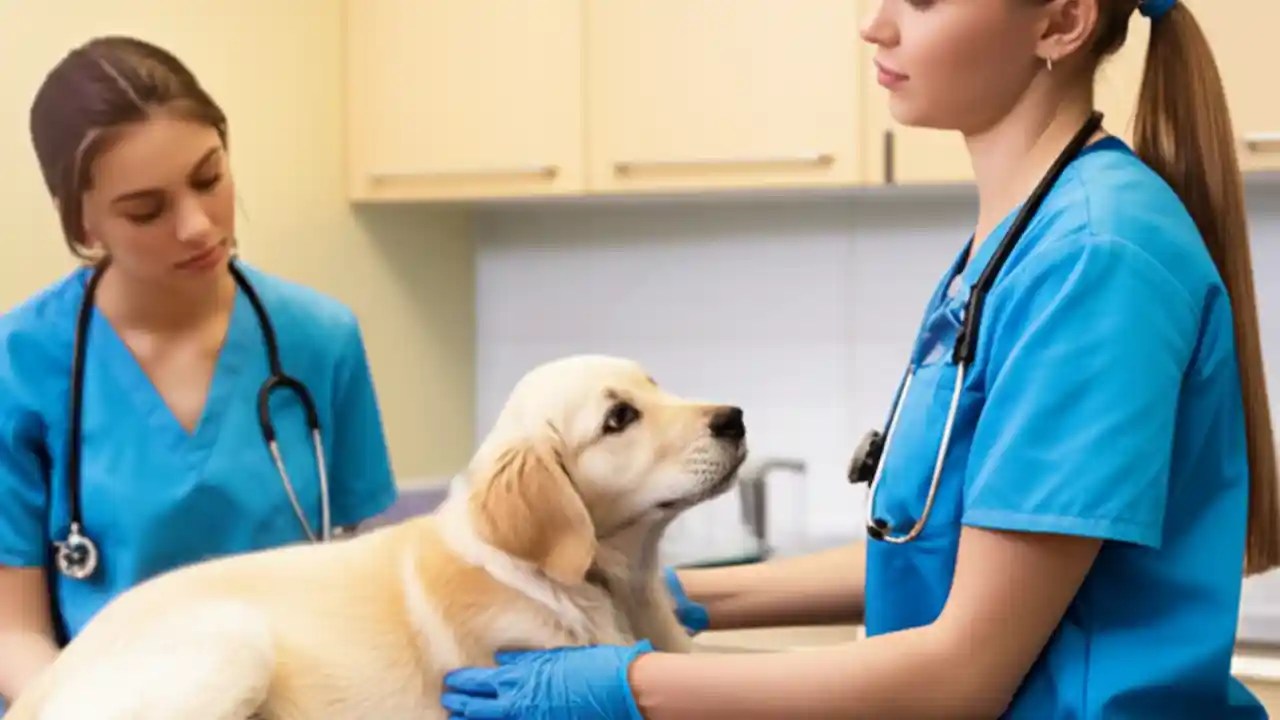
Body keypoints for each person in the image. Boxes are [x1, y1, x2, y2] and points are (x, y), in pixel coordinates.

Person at [440, 0, 1279, 717]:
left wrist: (627, 686)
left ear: (1060, 22)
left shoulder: (1096, 259)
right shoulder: (1018, 240)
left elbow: (964, 673)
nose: (873, 26)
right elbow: (937, 548)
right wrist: (675, 597)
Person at [0, 36, 398, 709]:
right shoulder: (21, 365)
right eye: (146, 210)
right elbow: (14, 631)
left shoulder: (321, 340)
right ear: (82, 219)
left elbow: (361, 589)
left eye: (209, 178)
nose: (196, 226)